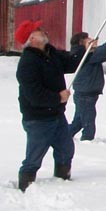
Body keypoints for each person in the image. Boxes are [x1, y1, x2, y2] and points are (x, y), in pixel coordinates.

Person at [15, 19, 83, 192]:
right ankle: (26, 186)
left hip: (56, 116)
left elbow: (71, 63)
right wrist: (57, 97)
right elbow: (34, 96)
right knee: (34, 158)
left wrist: (85, 48)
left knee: (66, 149)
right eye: (38, 30)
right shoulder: (27, 63)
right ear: (32, 39)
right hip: (38, 120)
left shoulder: (50, 54)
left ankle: (62, 180)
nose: (43, 30)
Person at [68, 22, 106, 142]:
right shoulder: (85, 55)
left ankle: (62, 136)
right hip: (85, 94)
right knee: (88, 122)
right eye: (88, 39)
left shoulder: (84, 54)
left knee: (80, 121)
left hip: (85, 93)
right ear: (81, 42)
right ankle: (88, 142)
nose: (93, 39)